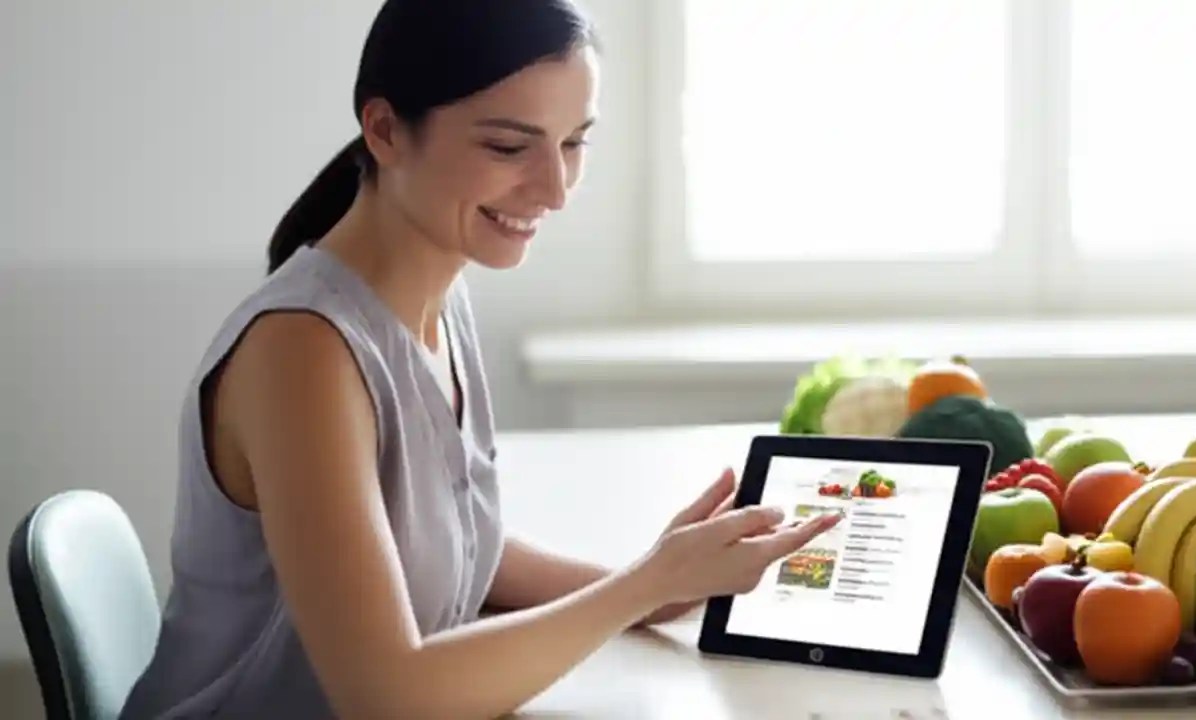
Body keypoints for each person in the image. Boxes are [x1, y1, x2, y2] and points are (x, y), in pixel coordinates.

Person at [120, 1, 839, 718]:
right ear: (385, 130)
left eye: (574, 143)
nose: (554, 189)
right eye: (508, 147)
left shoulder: (441, 296)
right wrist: (640, 588)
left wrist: (658, 585)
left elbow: (461, 549)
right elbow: (385, 696)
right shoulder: (302, 351)